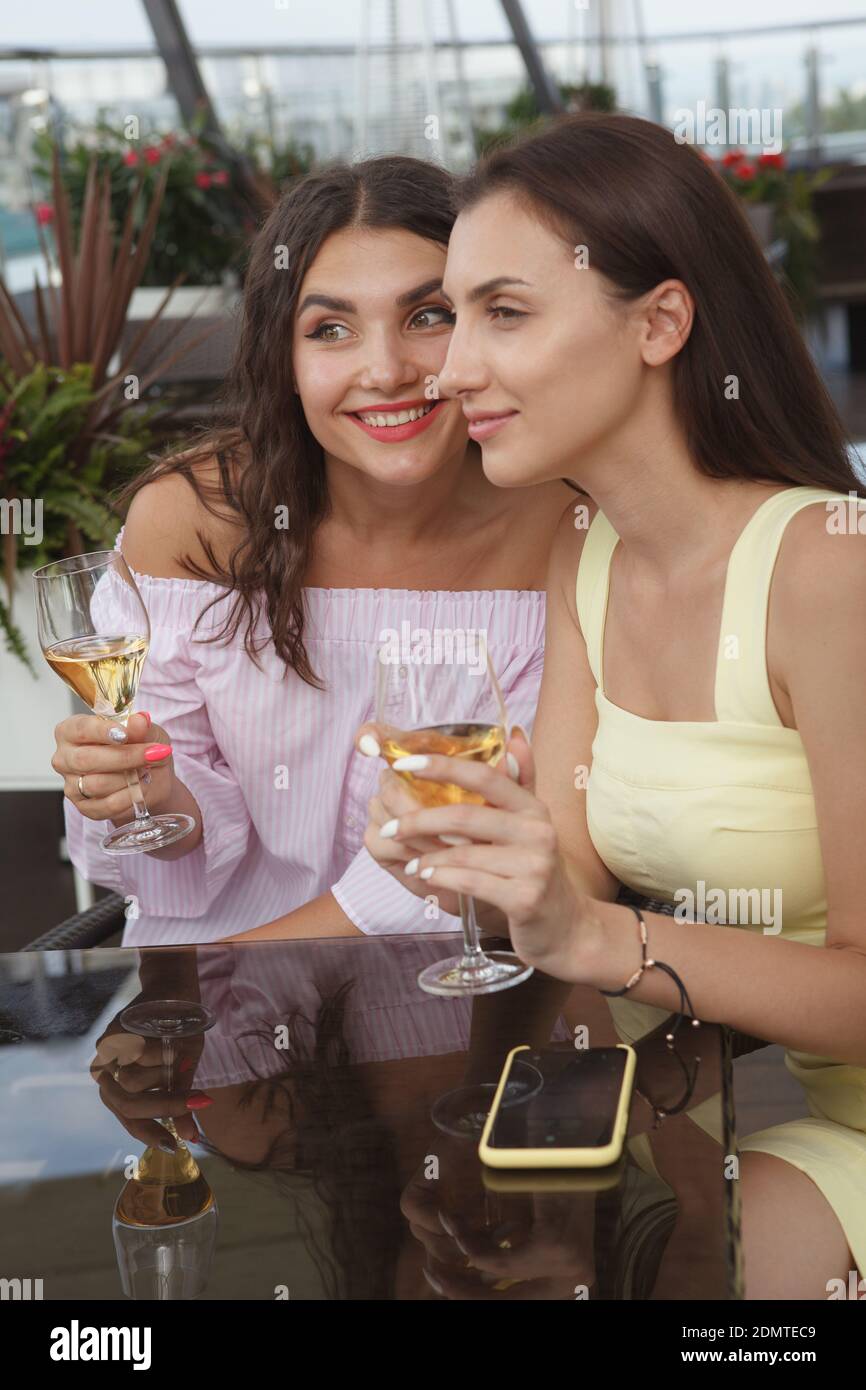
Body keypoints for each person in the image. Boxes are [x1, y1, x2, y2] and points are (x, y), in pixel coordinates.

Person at [360, 112, 866, 1298]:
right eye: (452, 314)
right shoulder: (583, 550)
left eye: (503, 311)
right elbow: (569, 887)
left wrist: (596, 939)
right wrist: (479, 868)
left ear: (658, 322)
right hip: (752, 1104)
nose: (448, 369)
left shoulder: (827, 570)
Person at [52, 155, 572, 946]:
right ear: (284, 363)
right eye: (330, 330)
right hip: (209, 991)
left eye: (427, 316)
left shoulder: (561, 531)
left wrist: (235, 970)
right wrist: (150, 796)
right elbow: (158, 849)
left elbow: (500, 856)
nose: (386, 371)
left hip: (447, 978)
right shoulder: (190, 523)